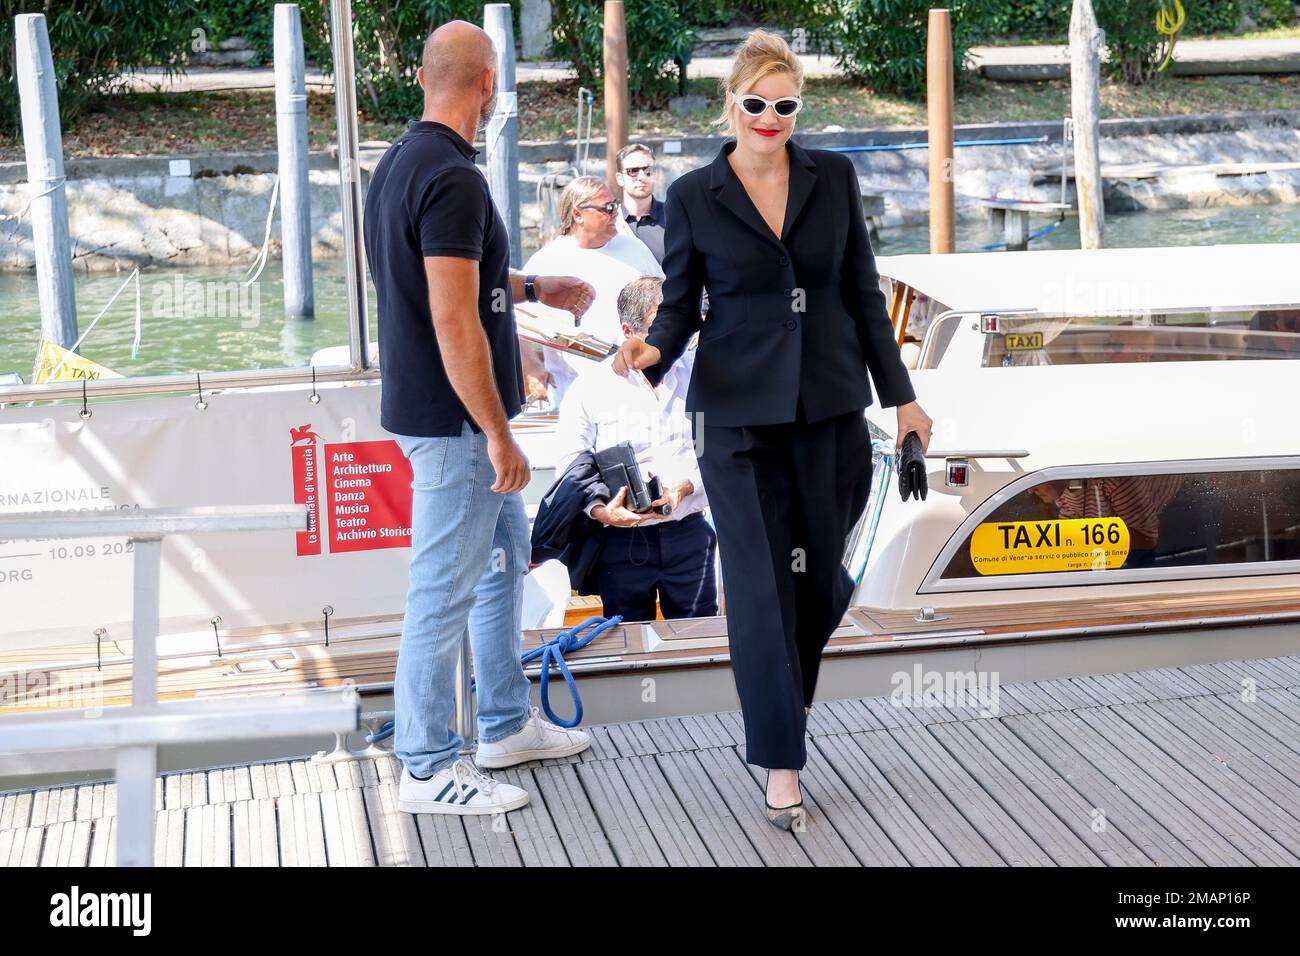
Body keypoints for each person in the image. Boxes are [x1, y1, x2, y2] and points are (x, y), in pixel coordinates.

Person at [614, 29, 933, 829]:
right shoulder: (692, 194)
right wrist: (650, 348)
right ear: (733, 103)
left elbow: (863, 295)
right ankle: (782, 762)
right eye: (756, 103)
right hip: (735, 421)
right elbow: (682, 303)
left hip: (830, 411)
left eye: (785, 104)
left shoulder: (835, 177)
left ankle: (777, 710)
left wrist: (903, 399)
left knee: (820, 585)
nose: (770, 117)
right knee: (758, 591)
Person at [363, 20, 598, 816]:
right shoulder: (455, 178)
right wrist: (498, 431)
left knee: (503, 565)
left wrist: (539, 289)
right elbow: (453, 318)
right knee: (442, 590)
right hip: (458, 427)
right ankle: (426, 766)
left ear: (425, 78)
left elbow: (465, 276)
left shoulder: (400, 162)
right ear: (488, 84)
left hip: (435, 415)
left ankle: (502, 723)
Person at [555, 276, 717, 622]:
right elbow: (569, 468)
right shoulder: (589, 389)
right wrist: (602, 511)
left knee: (699, 647)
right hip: (619, 544)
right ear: (629, 331)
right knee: (628, 648)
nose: (675, 338)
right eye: (664, 327)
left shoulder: (700, 377)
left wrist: (685, 487)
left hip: (689, 534)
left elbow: (717, 451)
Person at [518, 177, 664, 404]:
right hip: (576, 394)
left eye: (615, 204)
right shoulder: (547, 263)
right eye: (607, 208)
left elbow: (665, 301)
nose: (616, 212)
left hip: (638, 389)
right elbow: (517, 323)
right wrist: (532, 367)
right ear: (578, 215)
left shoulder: (633, 247)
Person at [613, 144, 668, 264]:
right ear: (620, 178)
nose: (642, 177)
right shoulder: (611, 220)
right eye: (633, 171)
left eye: (648, 170)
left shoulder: (675, 217)